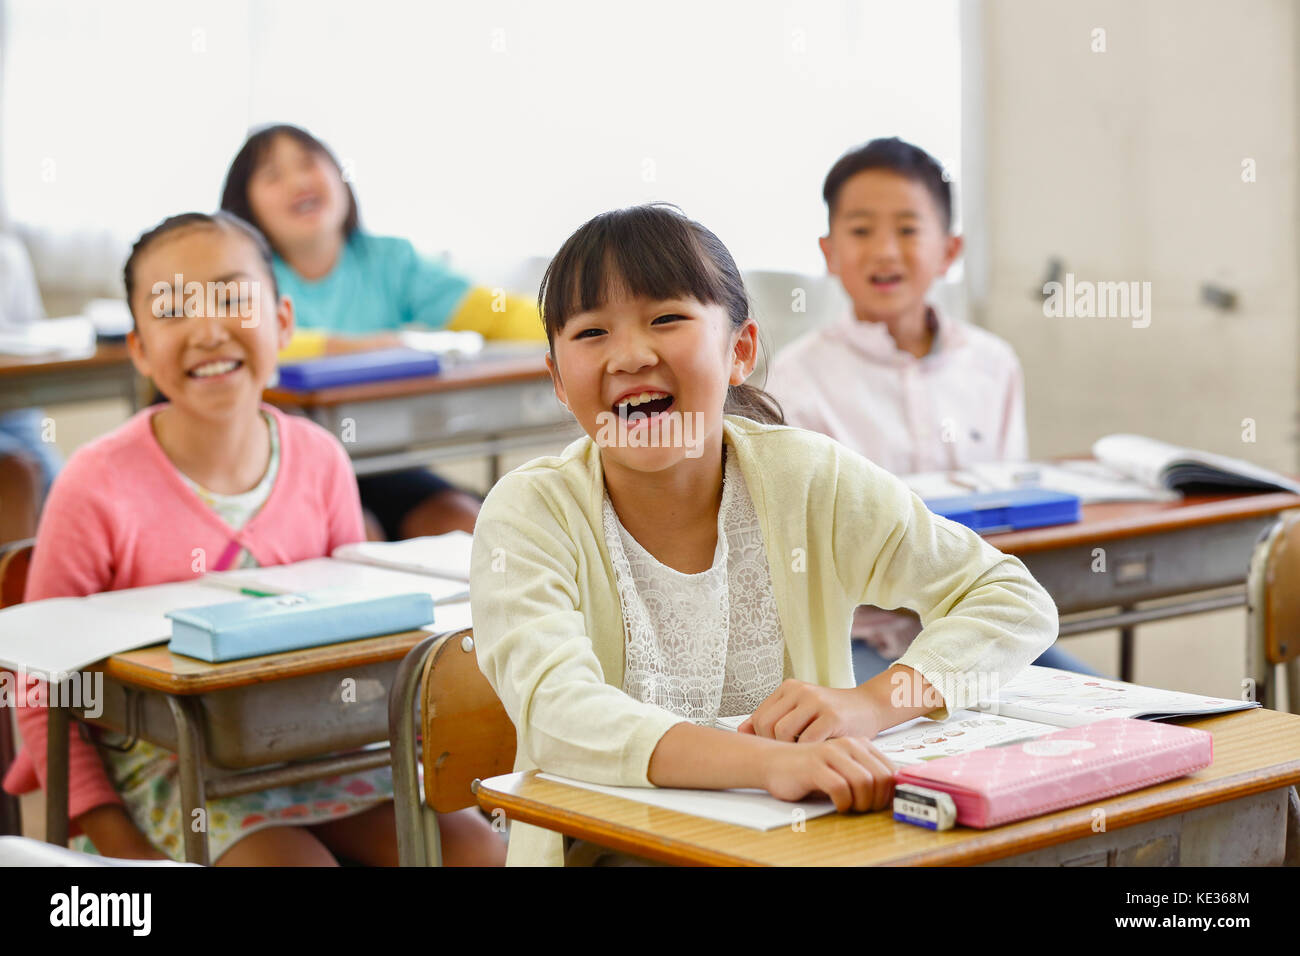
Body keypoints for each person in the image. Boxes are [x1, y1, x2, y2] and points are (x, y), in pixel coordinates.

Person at [468, 204, 1058, 866]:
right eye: (592, 332)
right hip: (606, 852)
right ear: (556, 379)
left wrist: (872, 703)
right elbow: (559, 717)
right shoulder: (528, 514)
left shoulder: (804, 477)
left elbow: (1010, 597)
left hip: (801, 845)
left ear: (739, 351)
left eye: (666, 318)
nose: (631, 354)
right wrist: (767, 763)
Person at [1, 212, 504, 866]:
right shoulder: (95, 483)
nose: (209, 330)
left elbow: (362, 639)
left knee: (476, 853)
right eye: (174, 307)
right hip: (169, 770)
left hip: (323, 755)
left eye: (234, 299)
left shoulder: (320, 459)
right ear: (139, 348)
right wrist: (116, 838)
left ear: (284, 320)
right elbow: (44, 687)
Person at [766, 137, 1100, 680]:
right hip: (860, 639)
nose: (884, 251)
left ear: (949, 251)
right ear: (829, 252)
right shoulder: (794, 380)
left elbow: (1005, 500)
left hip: (980, 632)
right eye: (860, 230)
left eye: (907, 228)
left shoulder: (992, 364)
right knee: (893, 746)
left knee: (1128, 720)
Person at [220, 124, 544, 540]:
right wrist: (351, 349)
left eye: (308, 164)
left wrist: (581, 322)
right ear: (245, 205)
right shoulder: (243, 272)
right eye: (272, 175)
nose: (298, 182)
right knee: (360, 535)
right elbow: (236, 336)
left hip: (382, 463)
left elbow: (489, 312)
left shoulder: (388, 260)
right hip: (284, 470)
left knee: (469, 523)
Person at [0, 235, 63, 543]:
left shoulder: (8, 254)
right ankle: (16, 588)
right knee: (16, 474)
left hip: (11, 407)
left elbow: (29, 334)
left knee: (62, 489)